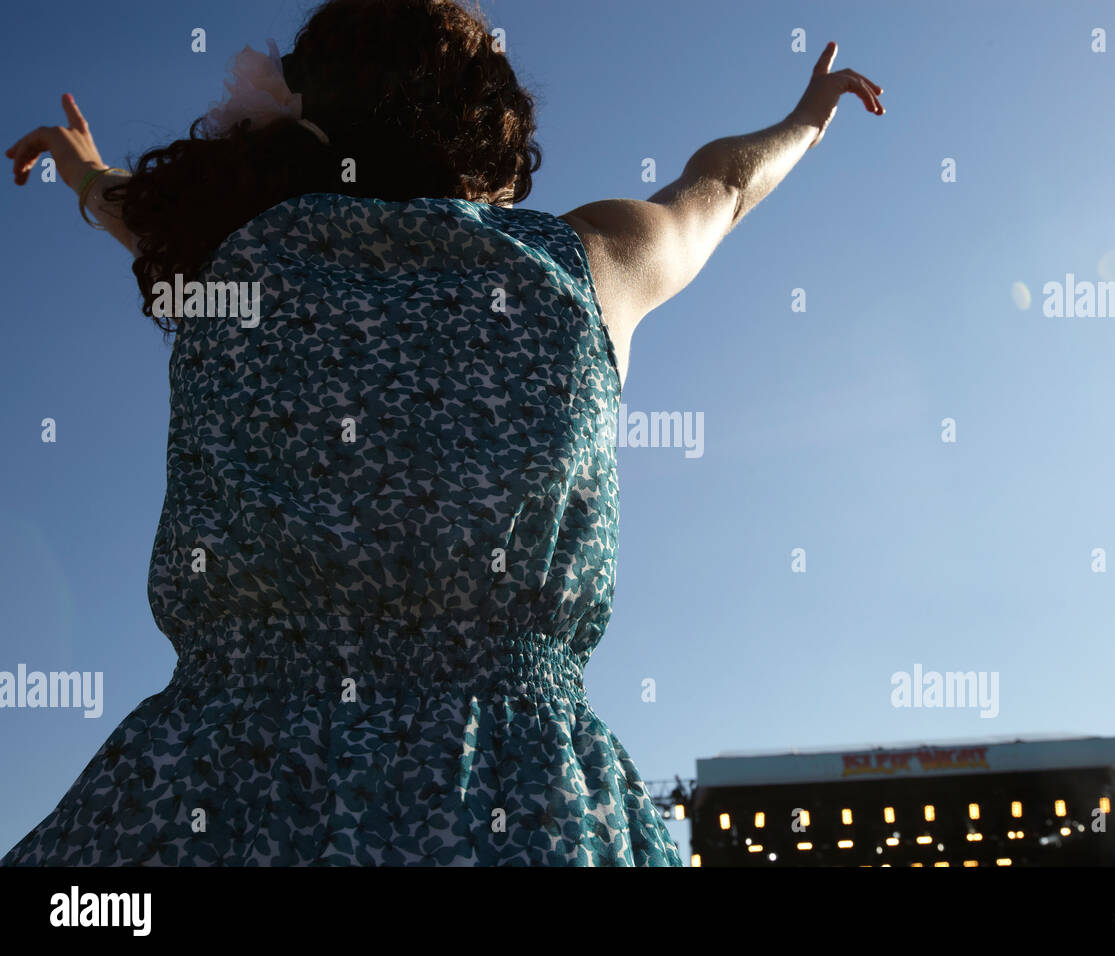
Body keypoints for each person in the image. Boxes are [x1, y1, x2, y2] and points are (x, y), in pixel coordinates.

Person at [3, 0, 883, 866]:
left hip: (206, 782)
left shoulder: (230, 261)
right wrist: (807, 118)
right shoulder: (583, 267)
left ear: (308, 123)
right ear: (494, 137)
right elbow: (722, 187)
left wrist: (82, 173)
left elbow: (135, 211)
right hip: (521, 799)